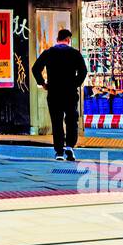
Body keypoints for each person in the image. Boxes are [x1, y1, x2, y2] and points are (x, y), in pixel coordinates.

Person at [32, 28, 88, 162]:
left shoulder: (49, 52)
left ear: (58, 39)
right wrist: (75, 83)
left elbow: (35, 68)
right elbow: (83, 72)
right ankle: (69, 147)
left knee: (56, 122)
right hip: (70, 93)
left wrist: (43, 83)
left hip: (54, 92)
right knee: (71, 120)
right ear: (68, 40)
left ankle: (59, 152)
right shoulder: (75, 53)